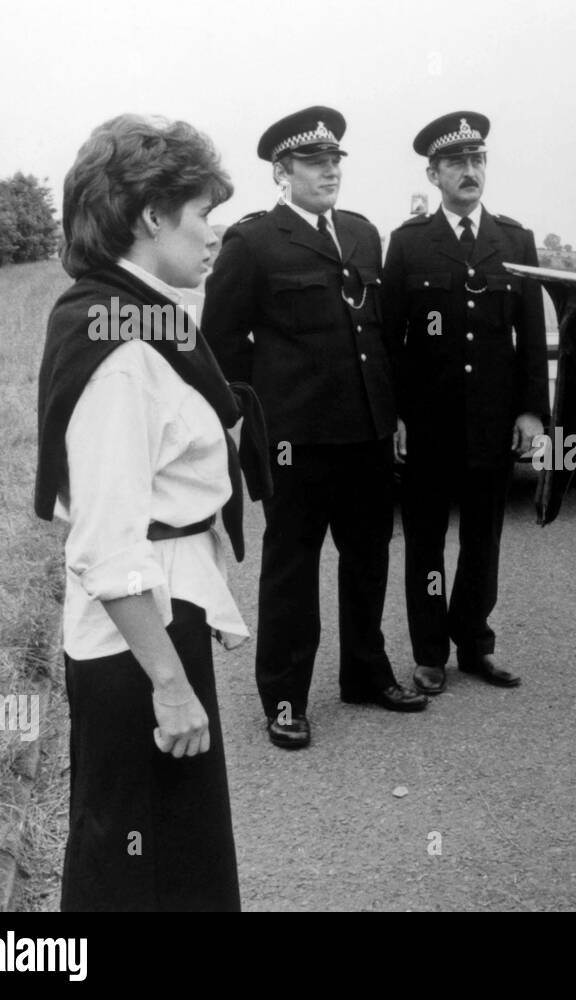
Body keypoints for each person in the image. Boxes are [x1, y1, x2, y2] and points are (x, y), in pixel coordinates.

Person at [35, 113, 266, 910]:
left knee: (167, 853)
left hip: (158, 619)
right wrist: (169, 681)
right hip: (139, 643)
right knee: (141, 866)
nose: (214, 234)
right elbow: (103, 544)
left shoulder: (137, 316)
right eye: (201, 212)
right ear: (149, 217)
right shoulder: (125, 351)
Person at [203, 106, 427, 751]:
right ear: (282, 172)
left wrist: (392, 412)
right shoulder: (254, 242)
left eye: (334, 161)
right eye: (312, 162)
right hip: (295, 439)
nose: (328, 171)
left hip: (367, 431)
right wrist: (272, 397)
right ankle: (284, 698)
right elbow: (220, 340)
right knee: (291, 570)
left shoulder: (362, 235)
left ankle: (366, 673)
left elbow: (377, 333)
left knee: (368, 559)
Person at [383, 111, 549, 694]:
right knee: (426, 541)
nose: (470, 171)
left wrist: (531, 411)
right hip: (429, 426)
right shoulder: (408, 244)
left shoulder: (515, 240)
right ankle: (430, 652)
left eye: (477, 161)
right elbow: (390, 340)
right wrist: (397, 414)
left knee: (484, 540)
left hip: (491, 423)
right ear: (434, 174)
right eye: (456, 163)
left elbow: (530, 336)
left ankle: (476, 644)